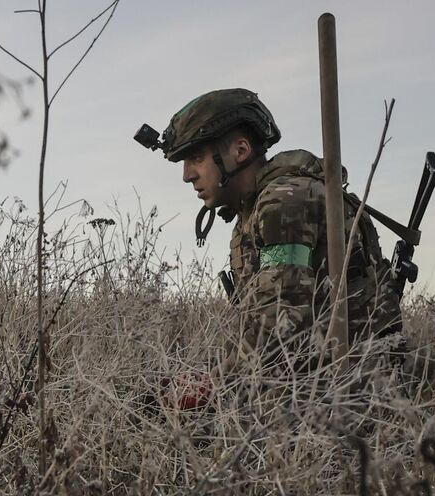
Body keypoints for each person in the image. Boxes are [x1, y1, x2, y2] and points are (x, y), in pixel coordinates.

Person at [159, 89, 405, 374]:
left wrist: (211, 385)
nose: (187, 175)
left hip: (354, 385)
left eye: (196, 157)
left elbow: (280, 325)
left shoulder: (283, 201)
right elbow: (257, 324)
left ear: (240, 151)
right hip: (317, 378)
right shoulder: (249, 213)